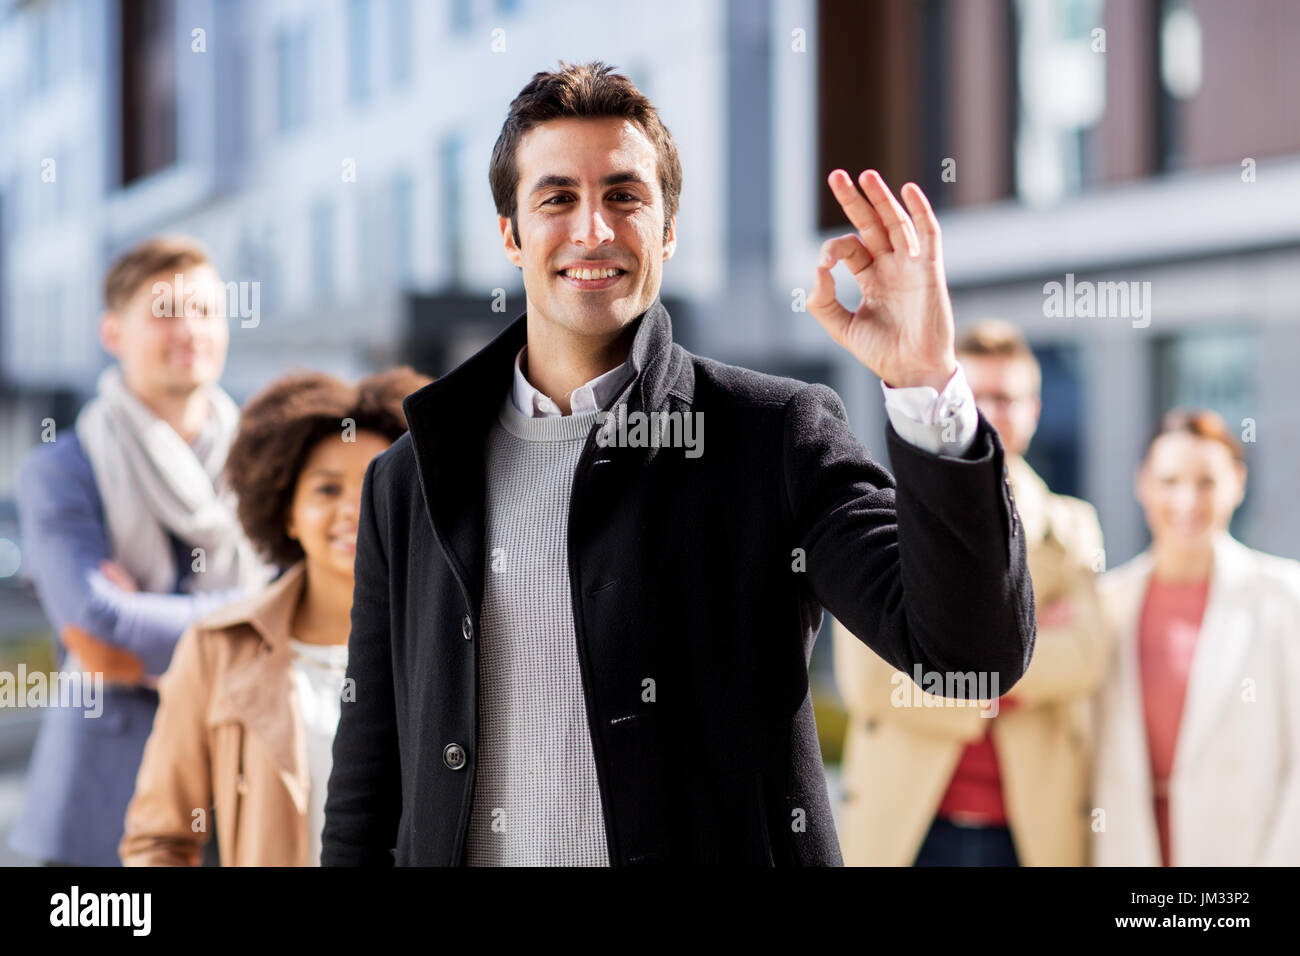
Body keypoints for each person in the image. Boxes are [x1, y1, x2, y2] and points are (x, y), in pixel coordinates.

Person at [322, 61, 1035, 867]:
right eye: (557, 198)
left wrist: (924, 384)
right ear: (511, 234)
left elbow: (969, 658)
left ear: (666, 229)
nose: (593, 229)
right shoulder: (410, 478)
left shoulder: (773, 435)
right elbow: (368, 781)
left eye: (625, 196)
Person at [9, 236, 274, 867]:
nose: (190, 330)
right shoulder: (61, 468)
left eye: (207, 310)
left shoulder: (265, 462)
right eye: (164, 311)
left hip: (242, 786)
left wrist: (137, 652)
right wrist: (258, 620)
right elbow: (97, 623)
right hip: (103, 804)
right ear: (111, 331)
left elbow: (316, 602)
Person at [119, 368, 431, 866]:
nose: (354, 509)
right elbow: (160, 840)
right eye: (327, 490)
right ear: (287, 510)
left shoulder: (454, 642)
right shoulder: (217, 648)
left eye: (375, 485)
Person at [832, 319, 1109, 866]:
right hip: (911, 823)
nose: (989, 413)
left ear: (1034, 410)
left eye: (1006, 398)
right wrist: (1013, 663)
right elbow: (869, 679)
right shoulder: (885, 511)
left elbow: (1084, 658)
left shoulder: (1072, 526)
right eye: (974, 396)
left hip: (1028, 828)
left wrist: (939, 654)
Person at [1093, 409, 1300, 866]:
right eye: (1169, 481)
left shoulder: (1286, 598)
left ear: (1238, 483)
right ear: (1142, 483)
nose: (1187, 500)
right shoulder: (1107, 603)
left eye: (1206, 482)